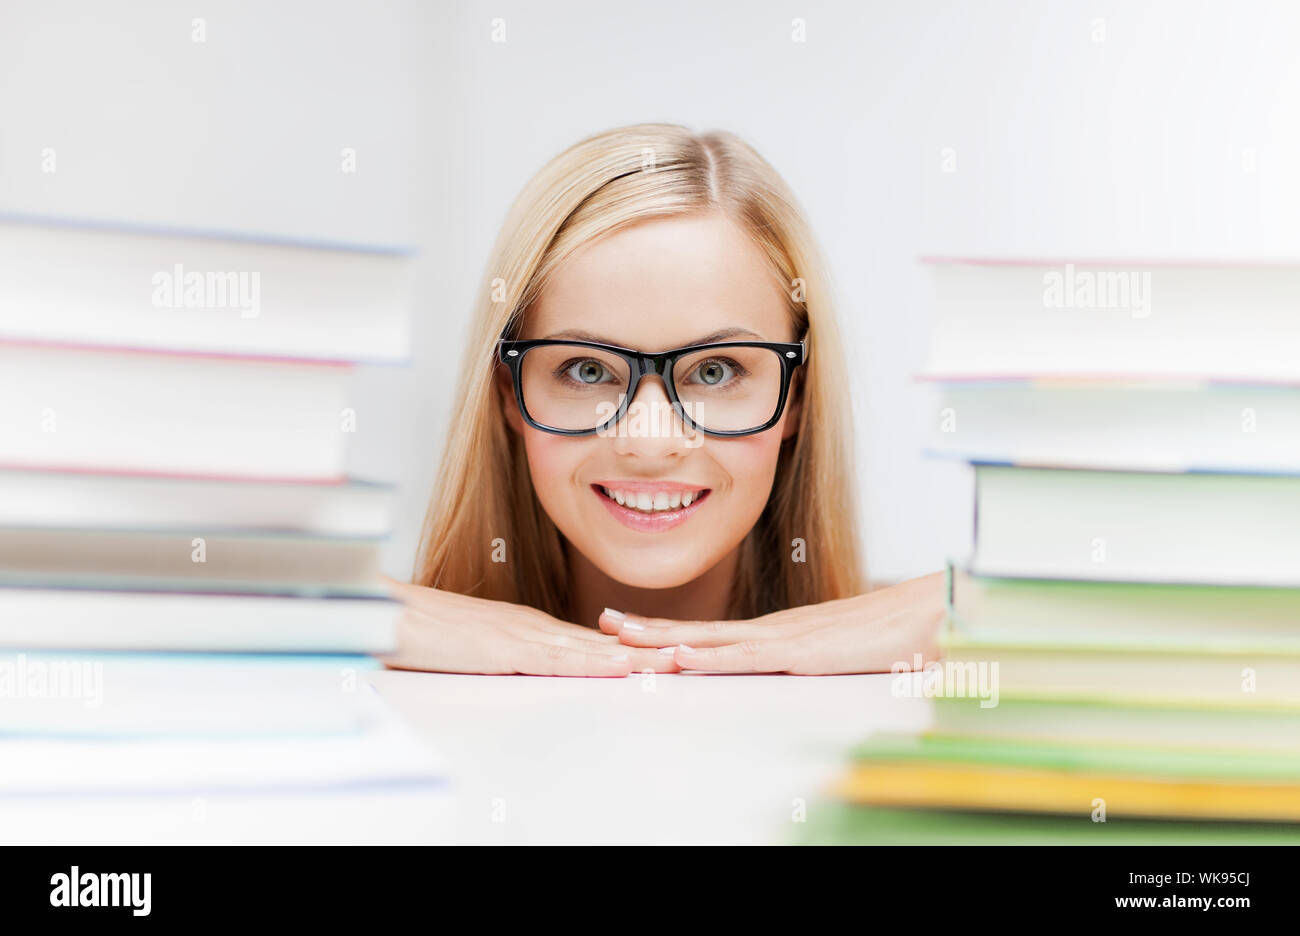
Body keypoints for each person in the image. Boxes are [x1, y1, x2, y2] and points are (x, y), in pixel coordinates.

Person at [381, 123, 943, 676]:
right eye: (588, 368)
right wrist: (354, 613)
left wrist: (966, 608)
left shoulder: (936, 642)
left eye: (716, 371)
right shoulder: (376, 647)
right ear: (509, 393)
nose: (649, 443)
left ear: (796, 395)